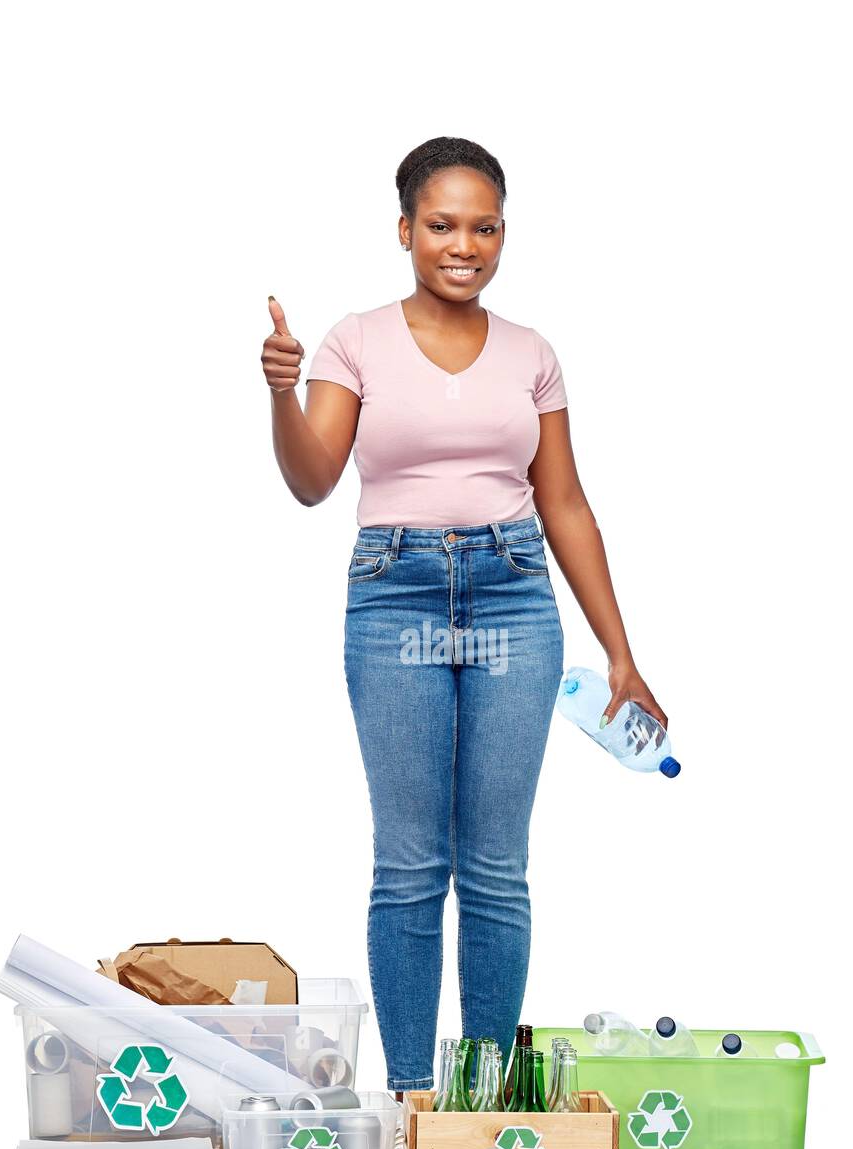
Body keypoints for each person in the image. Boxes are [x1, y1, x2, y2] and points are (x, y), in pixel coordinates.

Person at [263, 136, 666, 1095]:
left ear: (501, 236)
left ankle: (480, 1104)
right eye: (441, 225)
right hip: (395, 593)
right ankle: (411, 1102)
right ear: (405, 230)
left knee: (494, 869)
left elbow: (563, 500)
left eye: (484, 227)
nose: (463, 244)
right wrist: (283, 394)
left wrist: (621, 652)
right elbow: (313, 481)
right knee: (410, 866)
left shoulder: (533, 353)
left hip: (512, 595)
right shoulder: (353, 340)